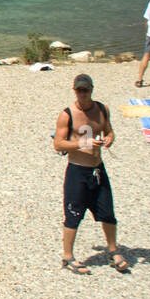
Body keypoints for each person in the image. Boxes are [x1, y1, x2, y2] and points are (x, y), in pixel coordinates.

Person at [52, 74, 127, 275]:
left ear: (92, 89)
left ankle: (113, 250)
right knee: (73, 214)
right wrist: (83, 143)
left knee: (107, 212)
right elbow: (58, 144)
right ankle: (68, 256)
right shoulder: (67, 114)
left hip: (98, 168)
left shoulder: (102, 110)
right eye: (79, 90)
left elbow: (109, 131)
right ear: (74, 91)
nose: (83, 94)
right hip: (77, 170)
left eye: (86, 90)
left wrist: (110, 139)